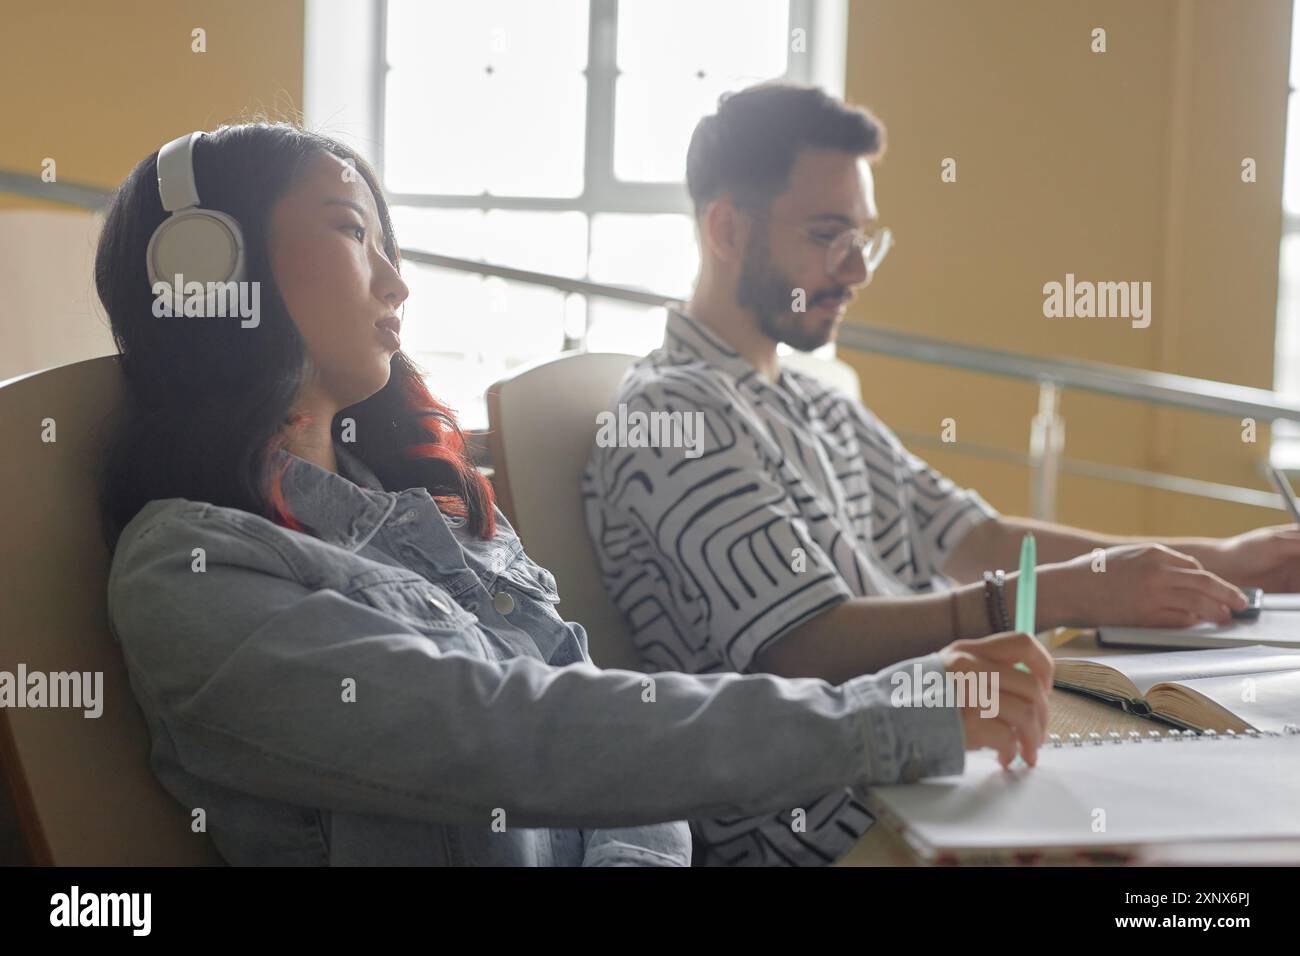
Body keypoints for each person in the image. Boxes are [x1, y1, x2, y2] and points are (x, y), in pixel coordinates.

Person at [97, 122, 1051, 866]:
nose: (396, 283)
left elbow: (599, 729)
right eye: (352, 230)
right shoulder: (194, 571)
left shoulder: (429, 505)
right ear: (207, 270)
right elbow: (522, 736)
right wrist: (887, 717)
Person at [582, 82, 1300, 865]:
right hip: (826, 820)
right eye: (828, 235)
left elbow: (975, 537)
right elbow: (806, 645)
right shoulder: (672, 414)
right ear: (727, 229)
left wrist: (1223, 560)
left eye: (864, 237)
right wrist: (1054, 594)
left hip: (930, 768)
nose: (857, 268)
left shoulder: (816, 401)